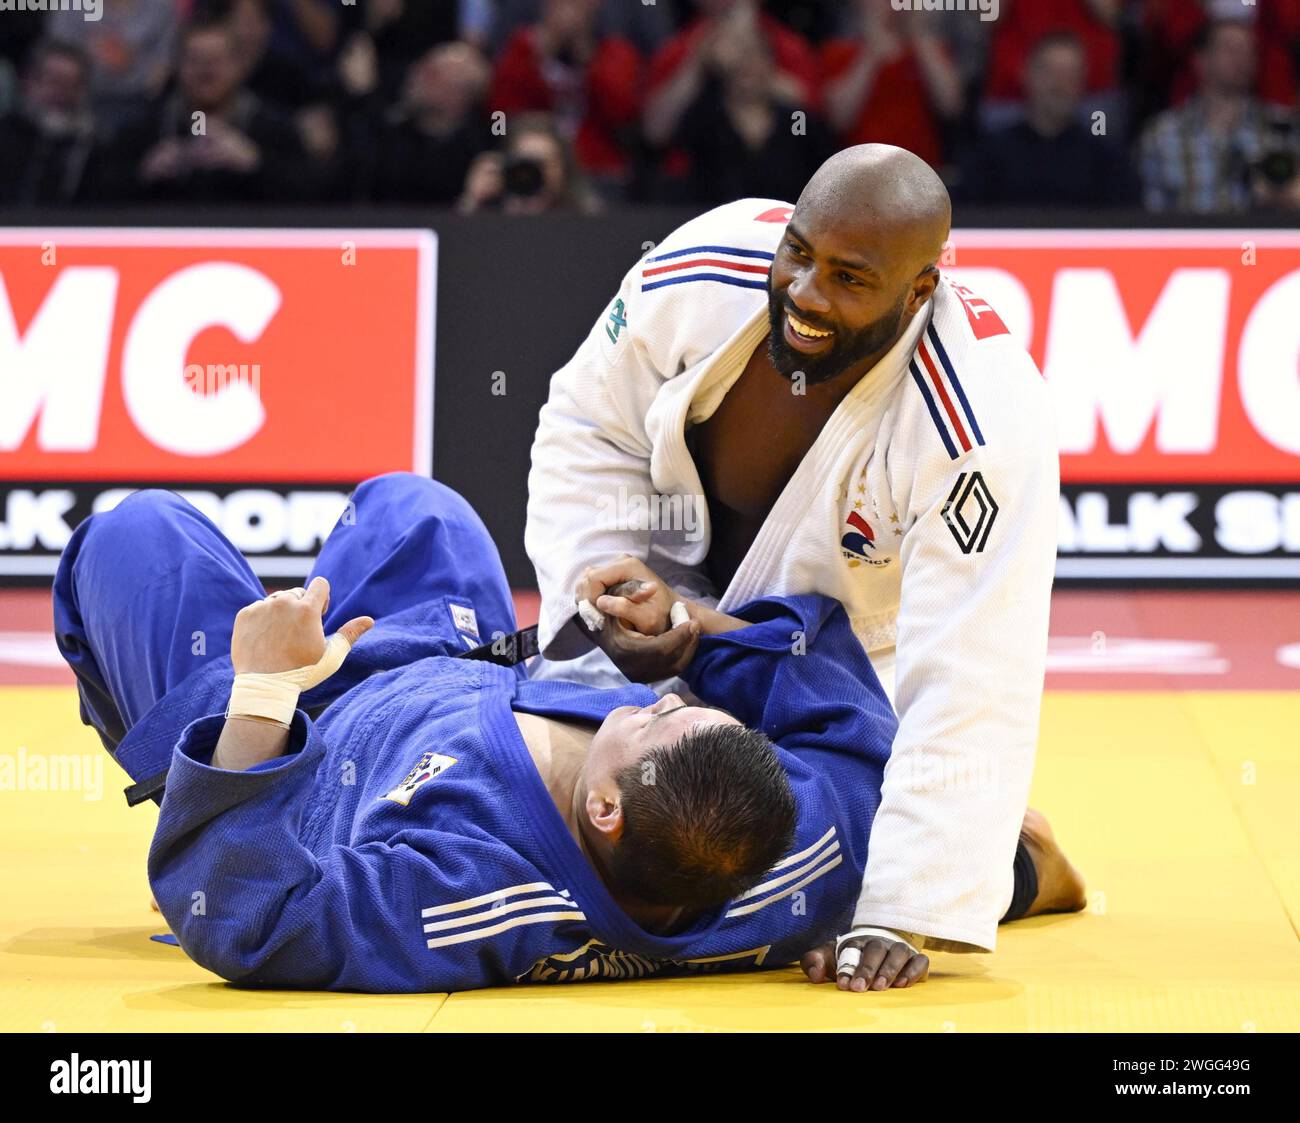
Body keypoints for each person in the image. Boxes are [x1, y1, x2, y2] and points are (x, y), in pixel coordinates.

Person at [53, 474, 1081, 993]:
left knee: (134, 533)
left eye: (649, 722)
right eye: (683, 709)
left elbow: (250, 919)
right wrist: (691, 643)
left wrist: (266, 694)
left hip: (305, 735)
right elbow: (1029, 855)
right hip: (441, 666)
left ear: (600, 806)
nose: (645, 702)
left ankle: (198, 736)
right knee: (422, 509)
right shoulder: (789, 847)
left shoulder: (474, 894)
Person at [525, 144, 1073, 975]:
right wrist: (604, 589)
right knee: (561, 805)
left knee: (735, 862)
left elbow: (973, 669)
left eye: (851, 279)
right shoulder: (702, 268)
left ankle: (1017, 862)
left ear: (920, 289)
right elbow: (588, 423)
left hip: (829, 671)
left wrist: (901, 909)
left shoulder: (981, 427)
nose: (807, 296)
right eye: (801, 254)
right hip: (665, 623)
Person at [960, 32, 1138, 207]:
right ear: (1026, 74)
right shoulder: (990, 156)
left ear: (1083, 80)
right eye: (1049, 72)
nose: (1059, 84)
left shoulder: (1107, 161)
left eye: (1070, 74)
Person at [1139, 20, 1300, 213]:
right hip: (1189, 241)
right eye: (1229, 49)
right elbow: (1148, 221)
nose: (1241, 58)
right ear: (1200, 59)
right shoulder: (1162, 135)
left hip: (1261, 239)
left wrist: (1286, 200)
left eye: (1248, 51)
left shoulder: (1285, 128)